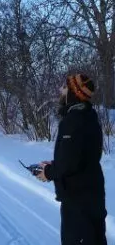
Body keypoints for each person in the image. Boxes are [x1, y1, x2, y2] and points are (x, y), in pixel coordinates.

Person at [36, 73, 107, 244]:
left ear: (74, 92)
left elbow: (69, 163)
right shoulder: (89, 116)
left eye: (65, 87)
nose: (61, 90)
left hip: (78, 200)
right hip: (92, 194)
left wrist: (48, 172)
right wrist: (54, 165)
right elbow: (80, 156)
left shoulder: (73, 120)